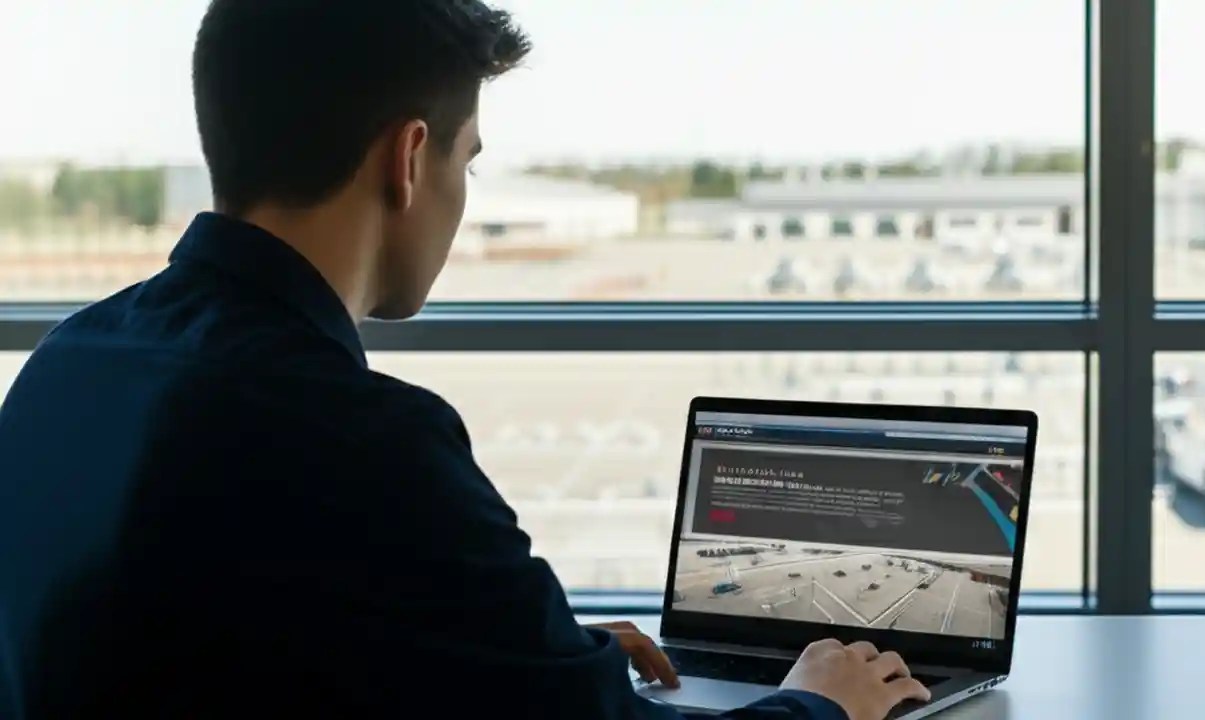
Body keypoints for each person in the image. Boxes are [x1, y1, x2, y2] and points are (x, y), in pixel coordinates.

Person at [0, 2, 931, 718]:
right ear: (408, 159)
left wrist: (509, 648)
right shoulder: (364, 441)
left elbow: (224, 638)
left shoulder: (68, 365)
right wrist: (821, 700)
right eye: (467, 160)